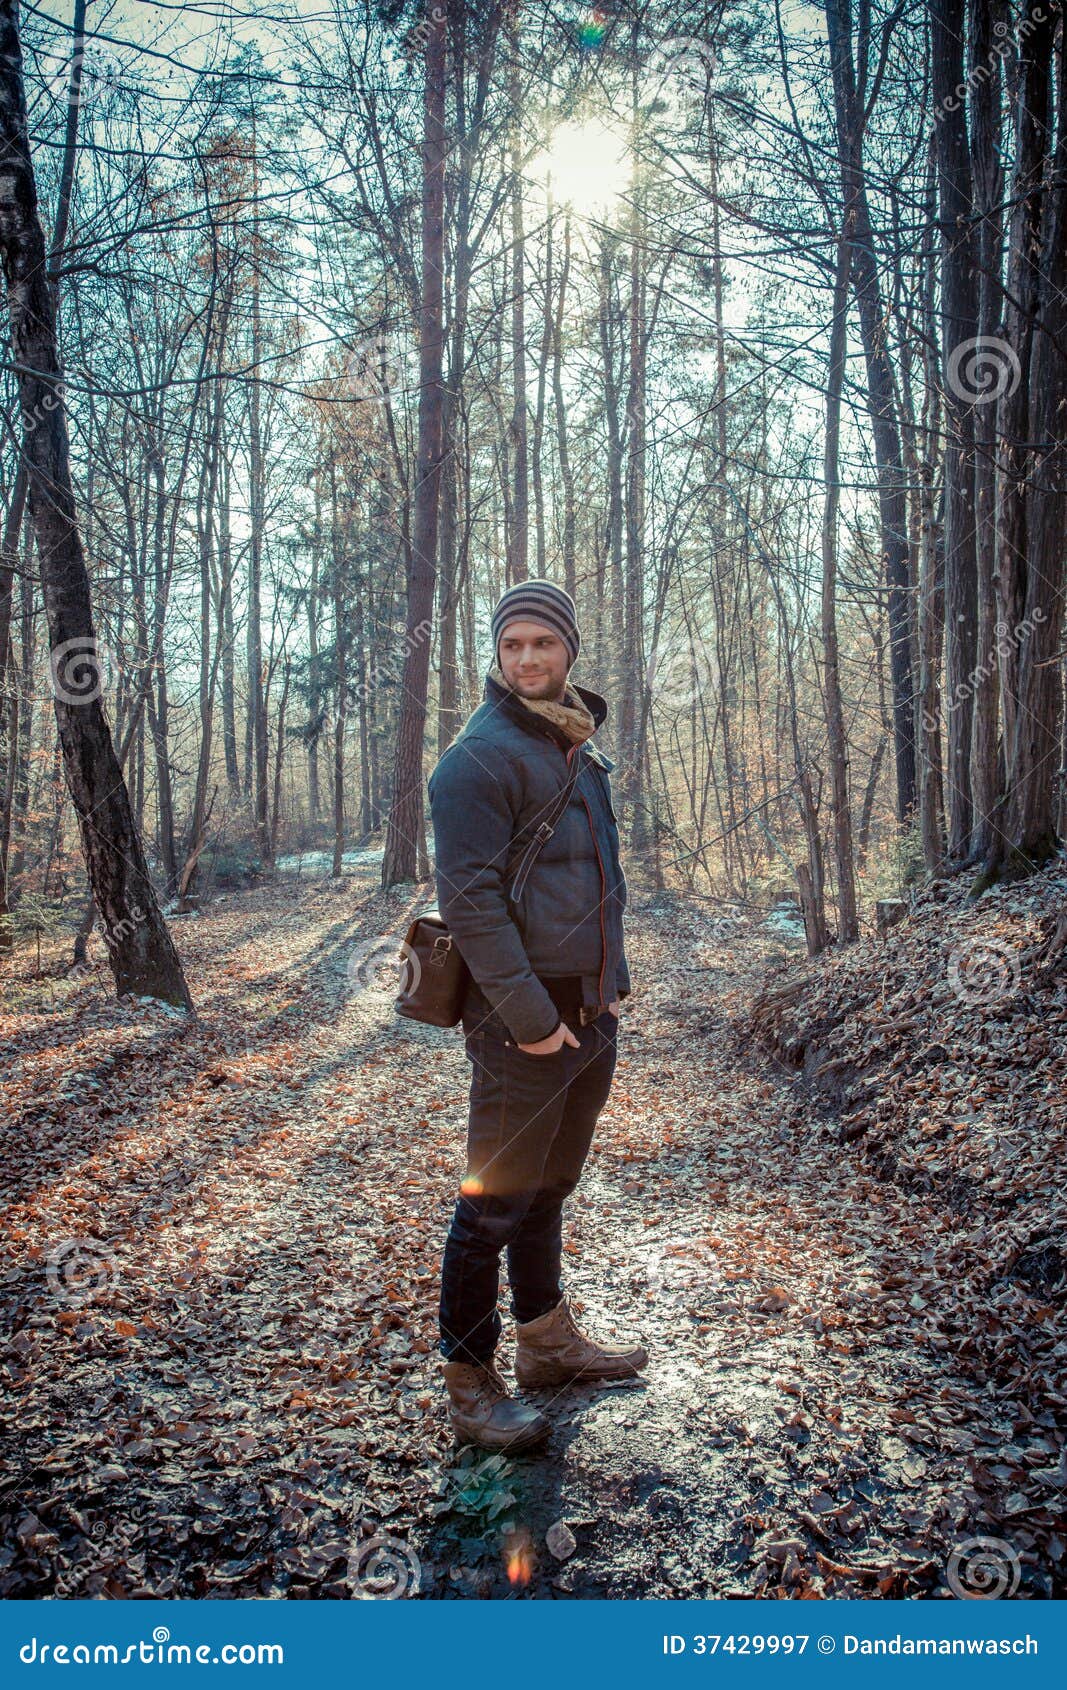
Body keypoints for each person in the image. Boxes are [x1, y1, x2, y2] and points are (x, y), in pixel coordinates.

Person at [427, 578, 648, 1452]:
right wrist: (527, 1019)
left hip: (587, 1006)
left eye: (542, 644)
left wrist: (611, 981)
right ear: (495, 652)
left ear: (569, 652)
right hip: (519, 1016)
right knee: (493, 1201)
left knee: (551, 1187)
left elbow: (596, 879)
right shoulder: (476, 759)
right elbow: (472, 905)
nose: (526, 659)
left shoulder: (574, 745)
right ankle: (468, 1379)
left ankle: (545, 1342)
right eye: (511, 644)